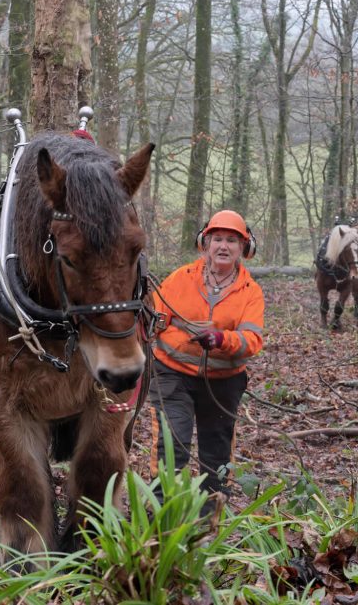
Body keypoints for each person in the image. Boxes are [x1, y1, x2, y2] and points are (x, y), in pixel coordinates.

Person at [149, 209, 265, 506]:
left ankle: (210, 519)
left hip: (223, 383)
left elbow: (252, 341)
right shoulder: (179, 279)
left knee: (216, 452)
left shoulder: (250, 292)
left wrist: (221, 339)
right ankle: (161, 514)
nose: (223, 246)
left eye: (231, 240)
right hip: (171, 373)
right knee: (173, 443)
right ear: (205, 243)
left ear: (244, 248)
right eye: (217, 239)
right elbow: (151, 319)